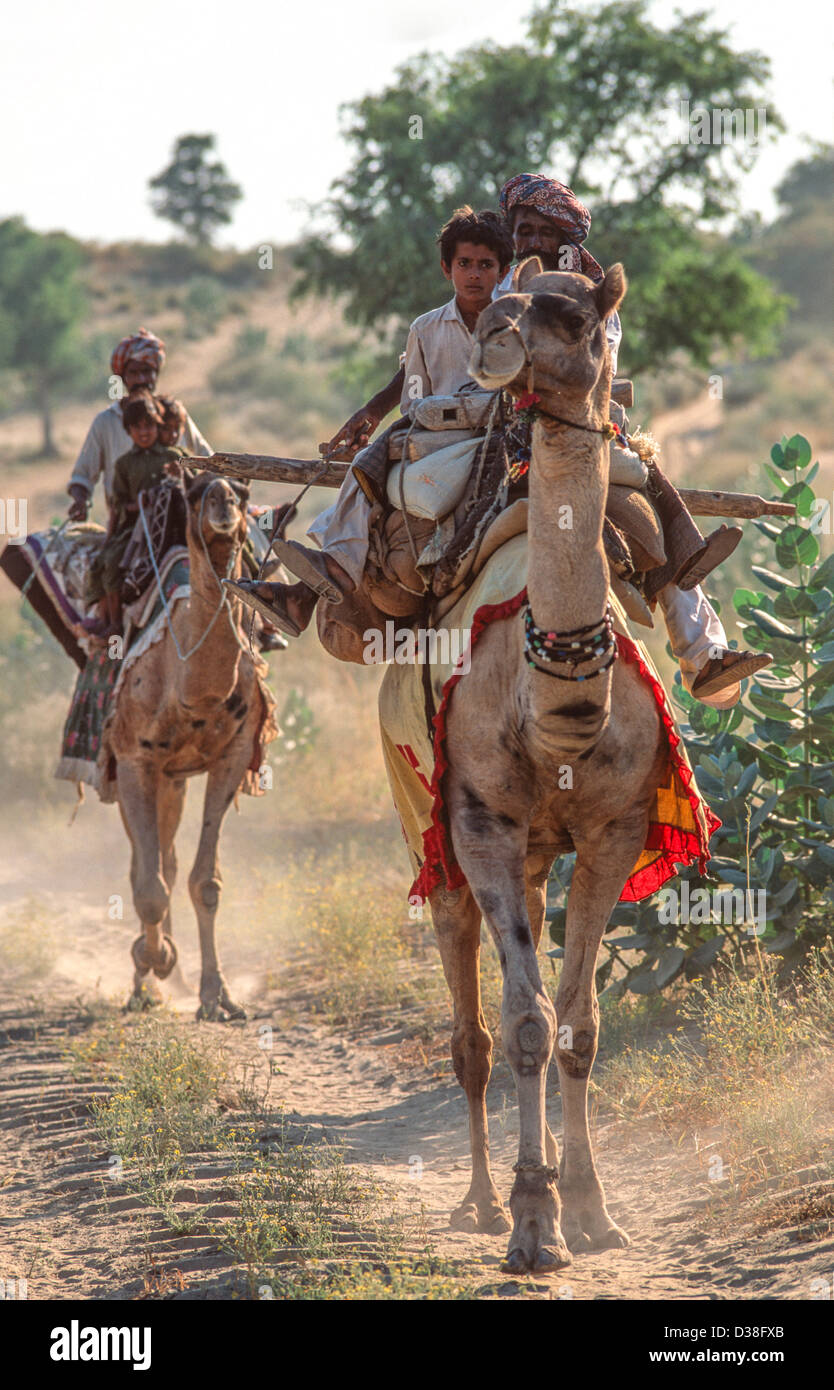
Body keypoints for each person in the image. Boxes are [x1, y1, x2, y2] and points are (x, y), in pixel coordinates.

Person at [229, 207, 513, 638]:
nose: (474, 275)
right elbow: (414, 400)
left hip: (498, 436)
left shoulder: (519, 325)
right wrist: (420, 417)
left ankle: (318, 580)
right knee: (370, 461)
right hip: (438, 438)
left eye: (485, 265)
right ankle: (330, 572)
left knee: (377, 459)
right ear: (446, 268)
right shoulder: (426, 329)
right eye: (464, 264)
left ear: (504, 271)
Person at [67, 329, 211, 521]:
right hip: (128, 521)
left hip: (181, 519)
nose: (141, 380)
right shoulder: (106, 422)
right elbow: (82, 476)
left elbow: (209, 462)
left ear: (156, 374)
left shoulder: (175, 415)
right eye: (133, 373)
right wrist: (80, 501)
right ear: (123, 377)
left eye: (146, 372)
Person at [82, 393, 183, 638]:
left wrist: (179, 477)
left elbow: (191, 487)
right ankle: (114, 623)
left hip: (175, 525)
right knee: (111, 562)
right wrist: (138, 505)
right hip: (137, 529)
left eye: (148, 425)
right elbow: (119, 504)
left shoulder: (174, 456)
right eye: (137, 427)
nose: (144, 432)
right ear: (128, 431)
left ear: (157, 425)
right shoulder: (124, 464)